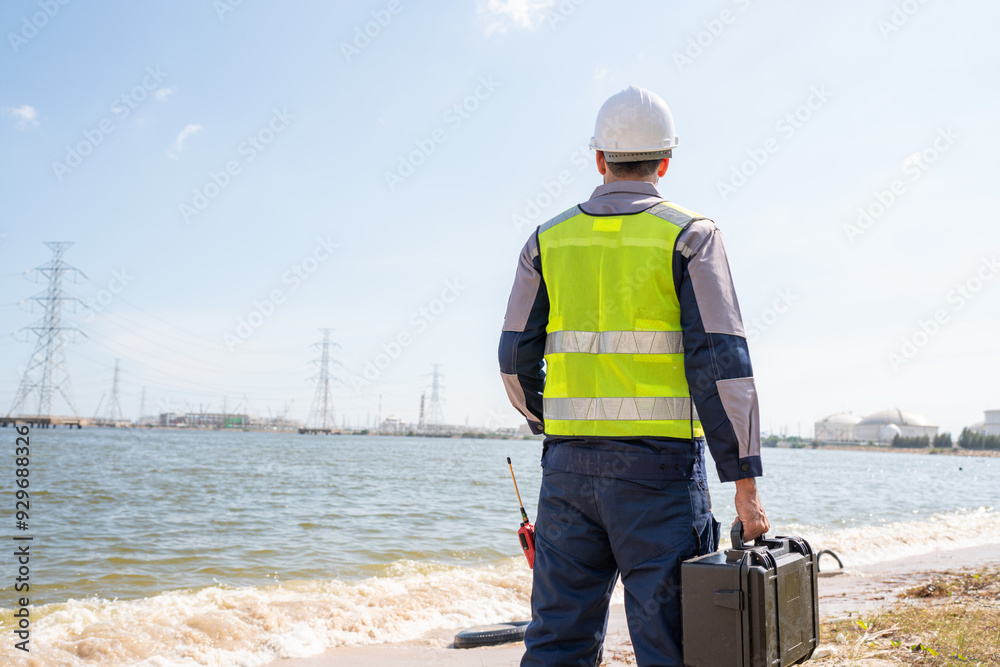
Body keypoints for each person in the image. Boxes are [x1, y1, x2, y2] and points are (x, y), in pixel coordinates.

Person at [498, 85, 769, 667]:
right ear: (665, 162)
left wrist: (548, 418)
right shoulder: (692, 235)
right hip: (660, 477)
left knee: (556, 641)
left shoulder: (547, 240)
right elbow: (720, 364)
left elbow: (512, 358)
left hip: (568, 473)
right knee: (671, 645)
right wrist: (744, 482)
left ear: (599, 159)